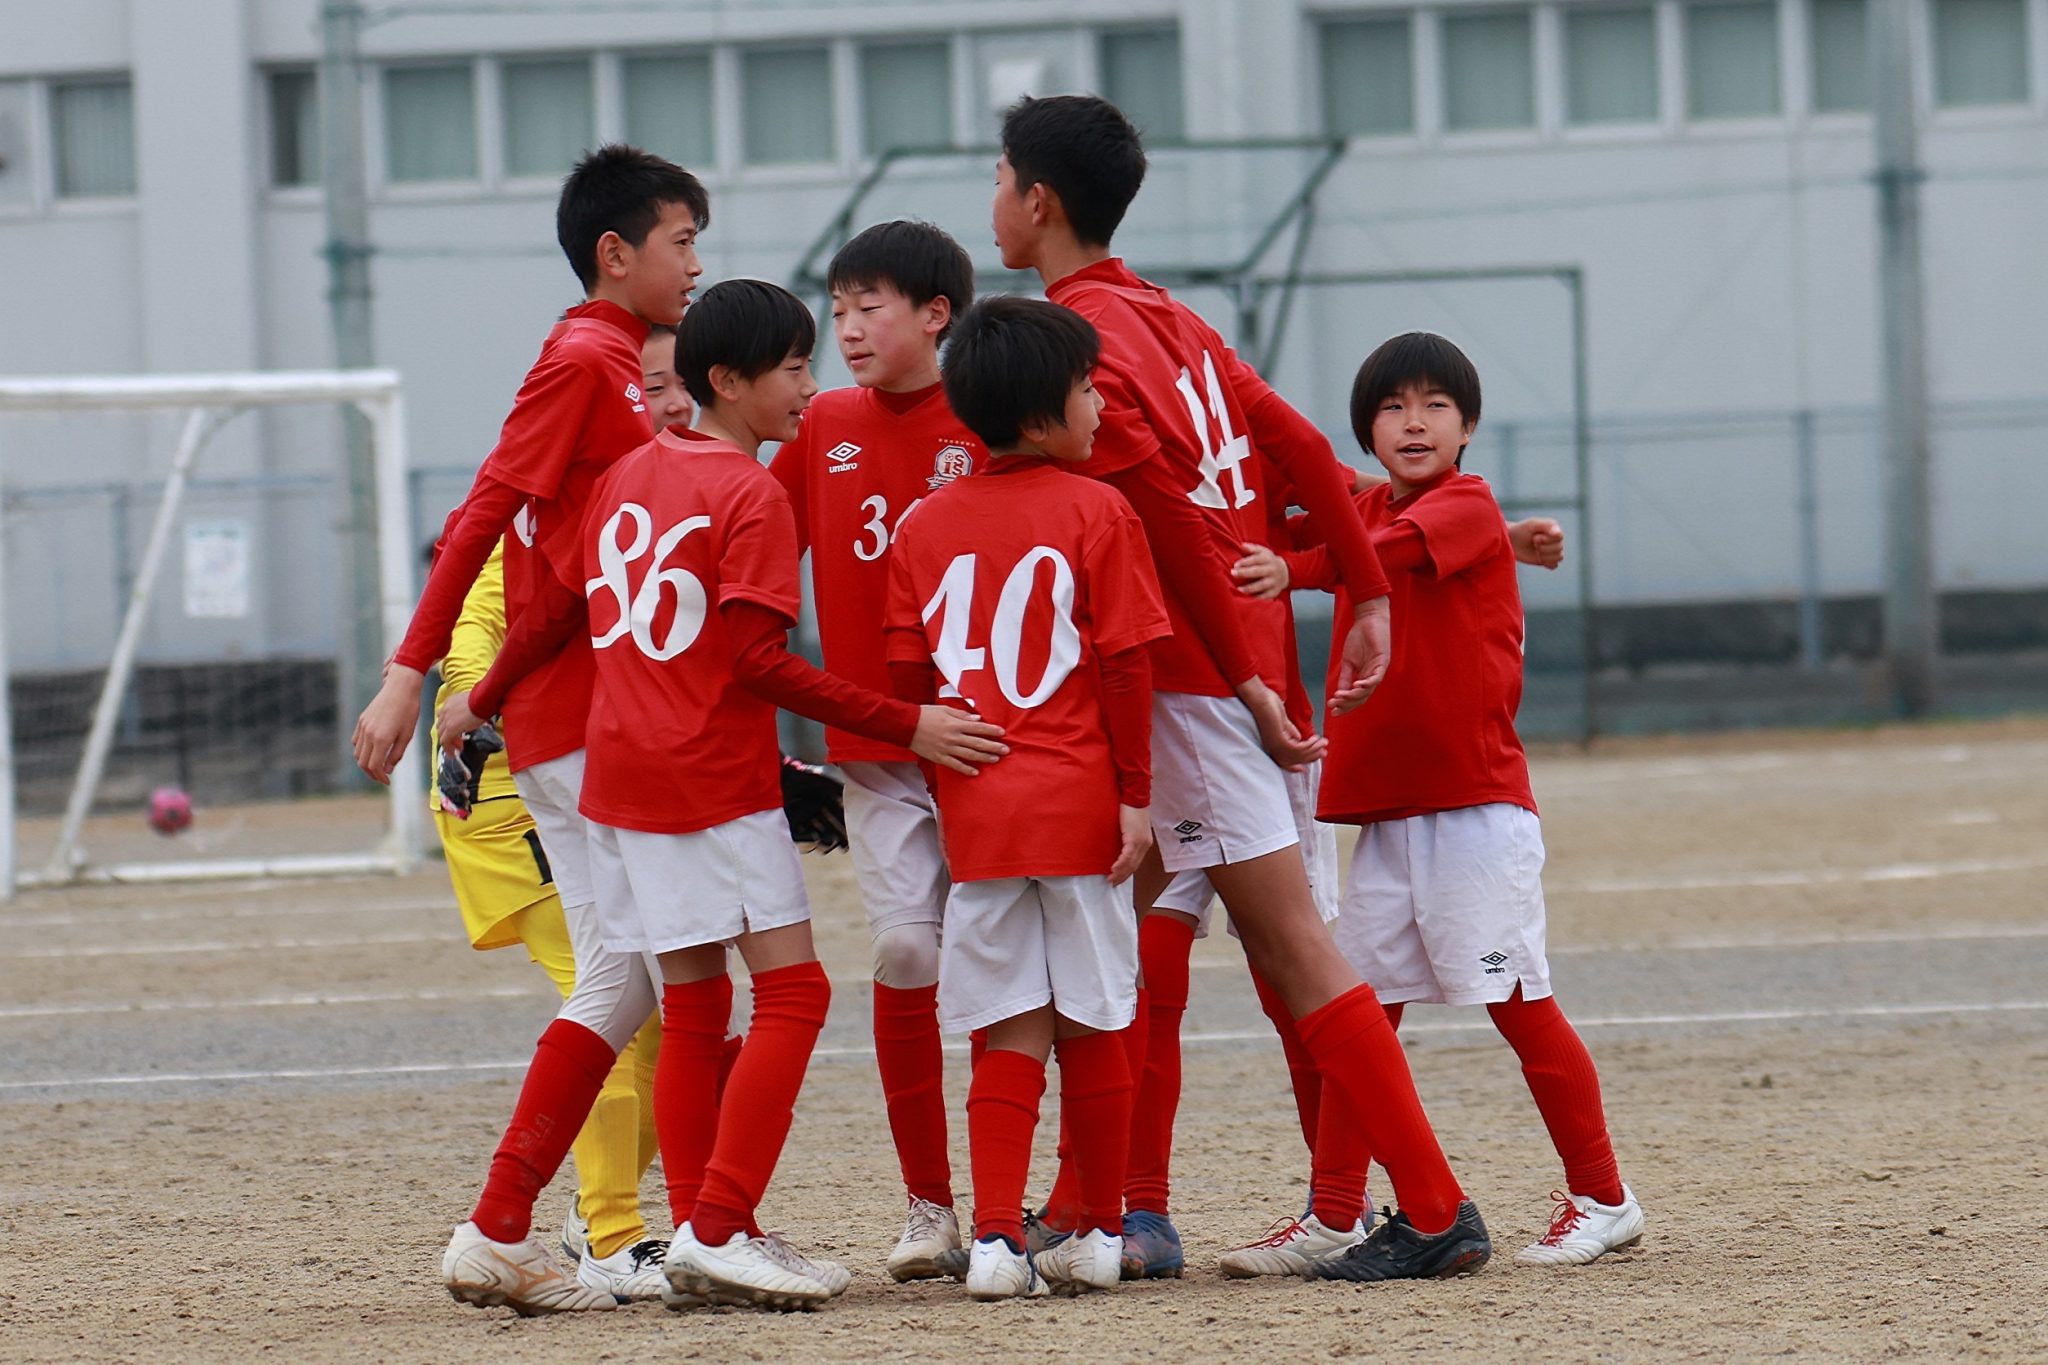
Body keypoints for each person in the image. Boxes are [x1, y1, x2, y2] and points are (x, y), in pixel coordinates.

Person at [992, 93, 1491, 1282]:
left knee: (1287, 947)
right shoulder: (1168, 314)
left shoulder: (1084, 341)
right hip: (1215, 673)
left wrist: (1246, 678)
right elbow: (1304, 451)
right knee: (1128, 937)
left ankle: (1430, 1209)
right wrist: (1361, 591)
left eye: (1000, 182)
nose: (994, 203)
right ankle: (1102, 1206)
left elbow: (1171, 522)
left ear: (1038, 201)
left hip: (1188, 680)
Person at [457, 279, 1008, 1309]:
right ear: (730, 380)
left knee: (696, 1003)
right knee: (795, 992)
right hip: (707, 772)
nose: (809, 384)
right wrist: (905, 722)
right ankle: (717, 1224)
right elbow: (757, 661)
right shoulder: (750, 493)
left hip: (620, 775)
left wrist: (480, 700)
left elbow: (558, 604)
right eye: (793, 366)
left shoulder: (628, 474)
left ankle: (705, 1229)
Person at [354, 143, 705, 1315]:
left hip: (583, 714)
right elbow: (481, 514)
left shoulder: (616, 366)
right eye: (681, 242)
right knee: (685, 965)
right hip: (580, 726)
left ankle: (507, 1229)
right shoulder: (580, 360)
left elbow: (564, 574)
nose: (694, 266)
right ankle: (675, 1231)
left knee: (630, 977)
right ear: (615, 253)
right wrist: (409, 677)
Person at [1254, 332, 1646, 1276]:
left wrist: (1295, 569)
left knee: (1518, 1004)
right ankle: (1334, 1212)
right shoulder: (1370, 503)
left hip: (1474, 808)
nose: (1415, 420)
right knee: (1363, 1015)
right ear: (1367, 429)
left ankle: (1605, 1197)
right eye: (1393, 407)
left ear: (1468, 426)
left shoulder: (1464, 502)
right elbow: (1320, 490)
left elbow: (1380, 552)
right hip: (1392, 816)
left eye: (1436, 404)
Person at [885, 295, 1171, 1299]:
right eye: (1088, 389)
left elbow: (906, 676)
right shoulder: (1099, 510)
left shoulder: (923, 524)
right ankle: (1096, 1232)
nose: (1100, 406)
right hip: (1079, 804)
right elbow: (1125, 665)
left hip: (981, 814)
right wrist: (1135, 794)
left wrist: (951, 781)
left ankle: (997, 1241)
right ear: (1047, 412)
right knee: (1096, 1016)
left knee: (1007, 1023)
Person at [423, 316, 701, 1304]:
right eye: (651, 387)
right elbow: (471, 664)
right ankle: (608, 1236)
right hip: (515, 802)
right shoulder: (538, 519)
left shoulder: (641, 500)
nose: (670, 406)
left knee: (658, 1006)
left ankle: (589, 1220)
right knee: (619, 998)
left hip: (589, 783)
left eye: (682, 386)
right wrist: (468, 705)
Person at [766, 221, 984, 1280]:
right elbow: (757, 545)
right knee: (905, 954)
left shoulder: (989, 413)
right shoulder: (823, 425)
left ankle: (1054, 1203)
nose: (846, 330)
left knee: (1019, 968)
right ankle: (929, 1208)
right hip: (875, 747)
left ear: (936, 315)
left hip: (992, 744)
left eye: (869, 308)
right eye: (838, 310)